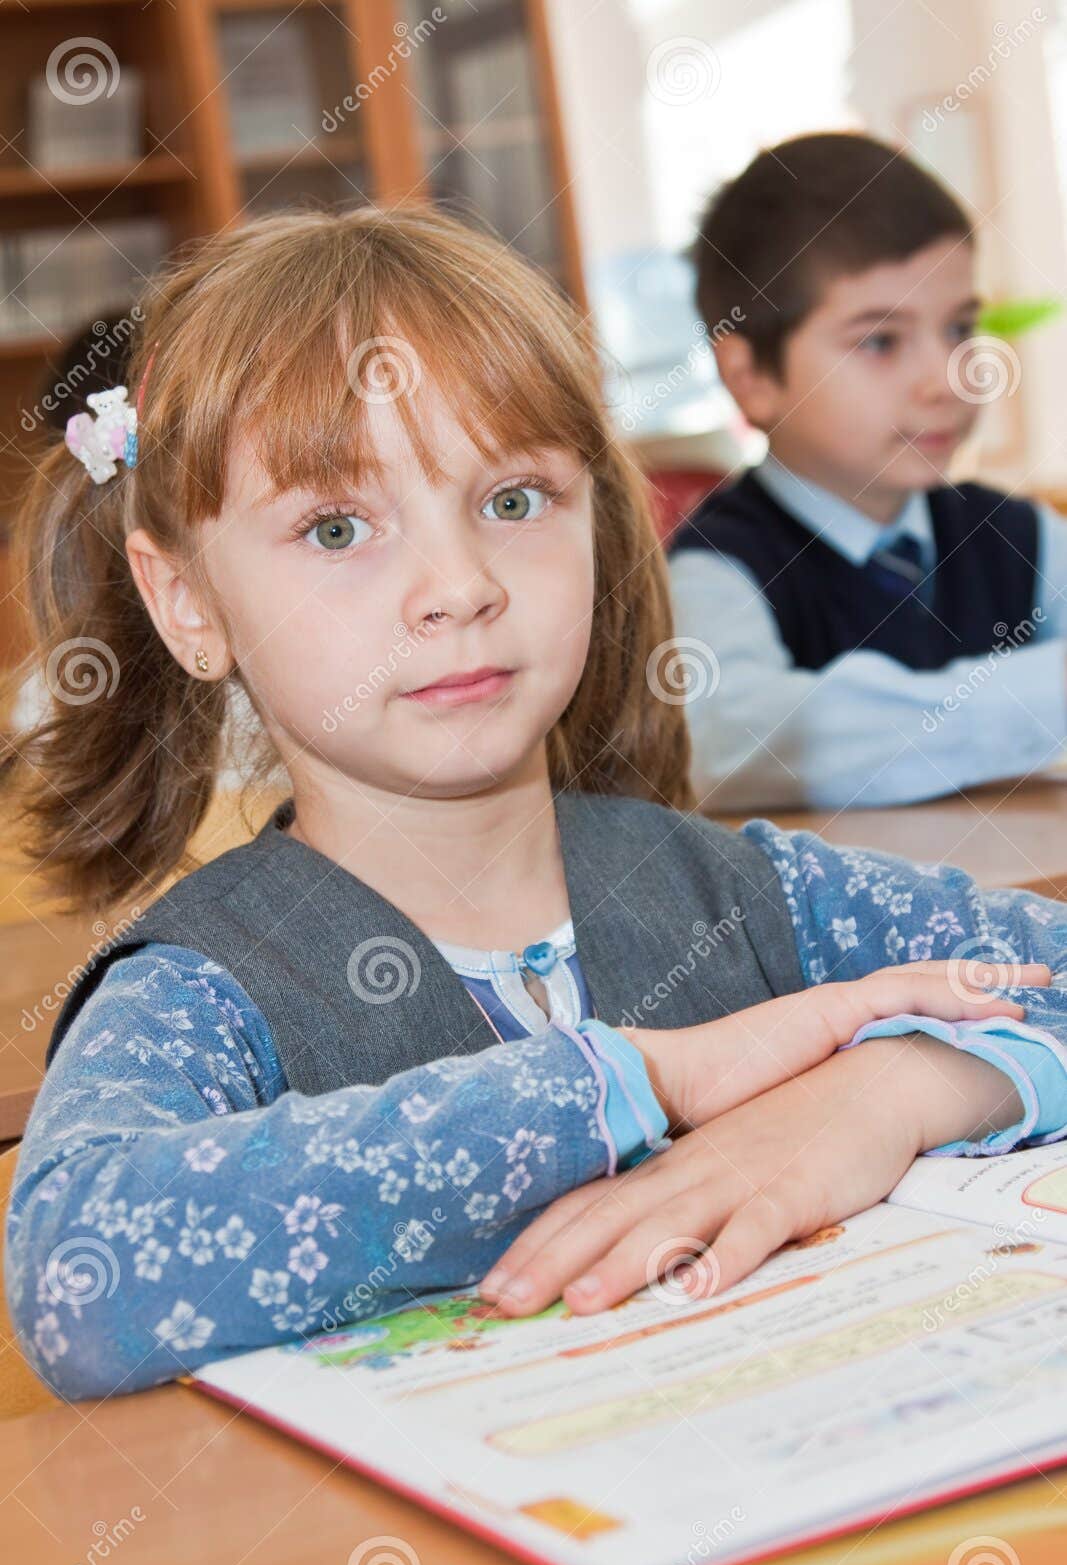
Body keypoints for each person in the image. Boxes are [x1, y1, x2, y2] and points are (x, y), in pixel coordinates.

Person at [3, 205, 1065, 1405]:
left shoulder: (751, 892)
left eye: (513, 502)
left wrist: (893, 1090)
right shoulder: (208, 988)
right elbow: (75, 1280)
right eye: (336, 527)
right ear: (186, 600)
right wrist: (635, 1086)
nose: (458, 586)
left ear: (598, 527)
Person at [669, 131, 1067, 809]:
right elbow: (730, 745)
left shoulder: (1020, 533)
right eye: (880, 341)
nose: (944, 379)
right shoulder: (714, 567)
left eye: (958, 329)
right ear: (749, 377)